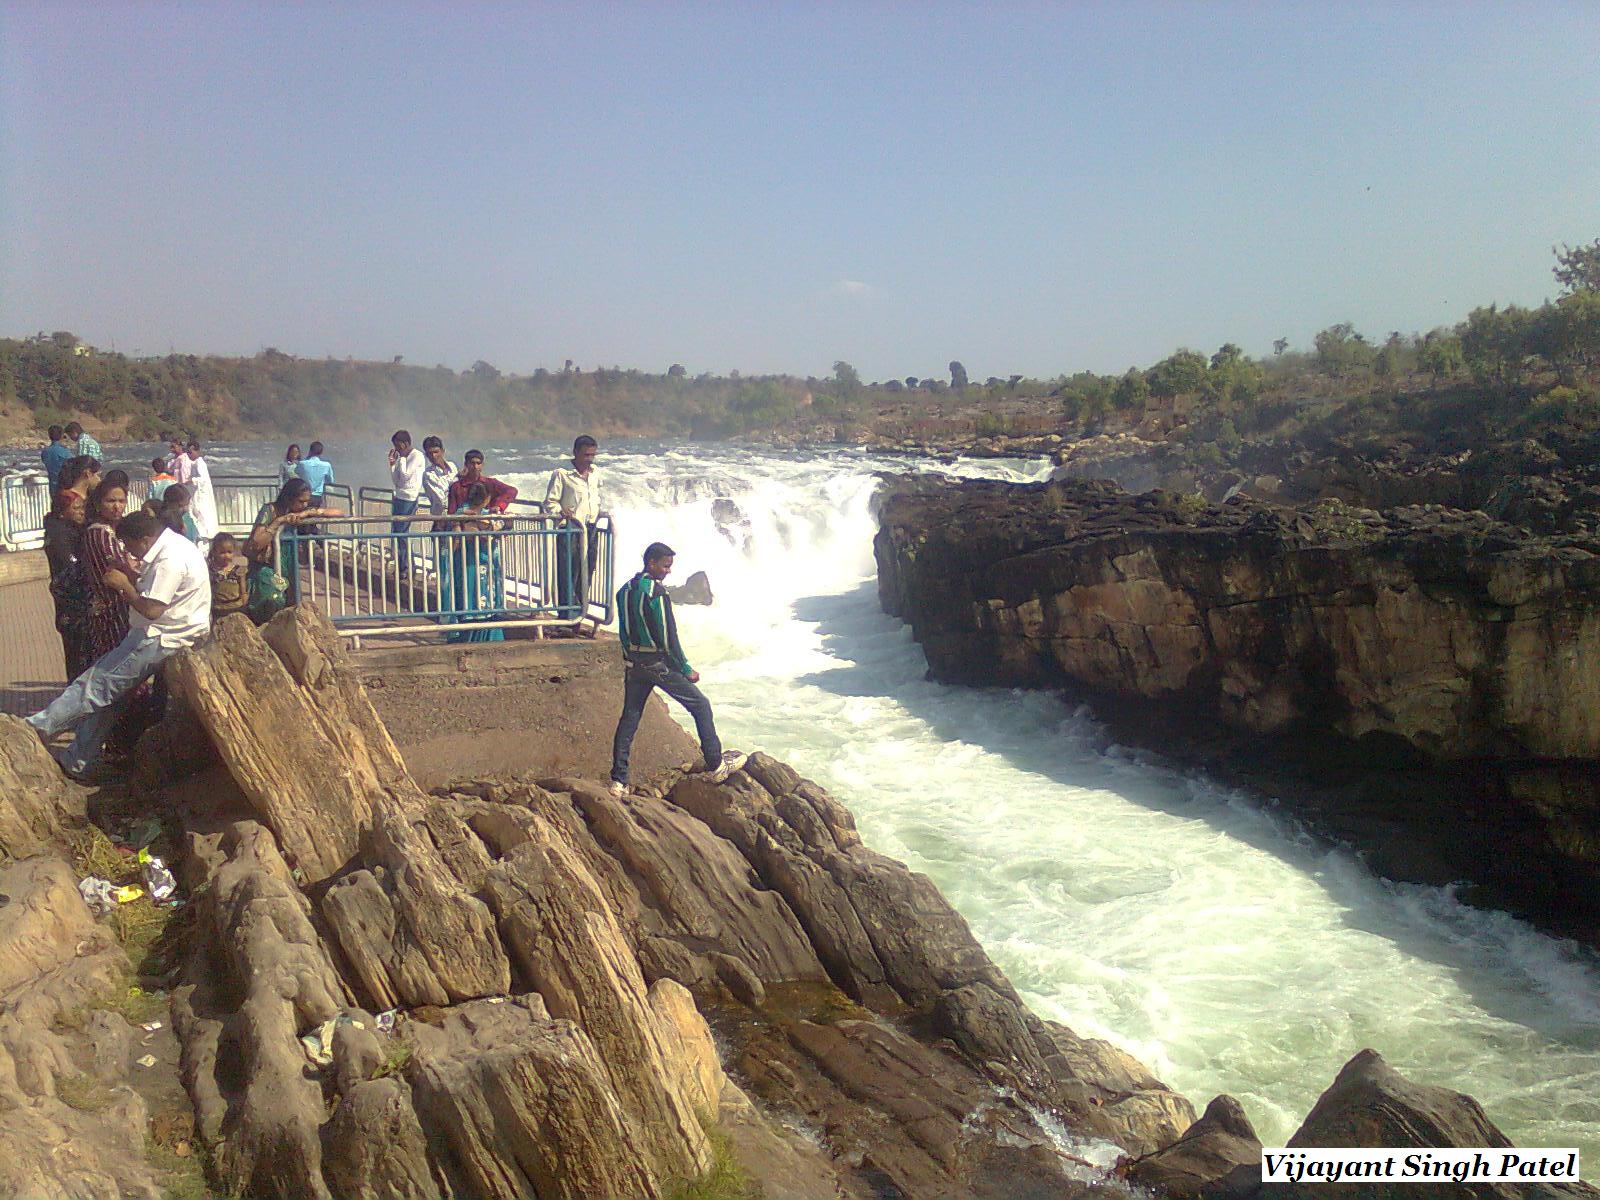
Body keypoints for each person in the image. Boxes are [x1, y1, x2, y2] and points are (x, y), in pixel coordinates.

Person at [26, 511, 211, 780]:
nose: (128, 550)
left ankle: (37, 728)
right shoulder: (175, 546)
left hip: (159, 637)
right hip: (165, 632)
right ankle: (78, 759)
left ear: (145, 539)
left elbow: (152, 608)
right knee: (111, 698)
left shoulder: (169, 560)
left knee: (94, 685)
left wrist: (124, 585)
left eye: (129, 544)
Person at [609, 542, 746, 798]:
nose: (669, 571)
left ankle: (618, 782)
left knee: (629, 719)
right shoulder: (656, 593)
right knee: (701, 705)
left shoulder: (624, 590)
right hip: (657, 664)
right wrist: (685, 668)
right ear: (651, 563)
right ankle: (717, 764)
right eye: (665, 565)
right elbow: (667, 636)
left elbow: (624, 630)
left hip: (634, 665)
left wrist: (628, 657)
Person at [245, 478, 335, 621]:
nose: (304, 504)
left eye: (307, 501)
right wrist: (279, 521)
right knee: (273, 599)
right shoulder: (270, 510)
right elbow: (257, 542)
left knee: (291, 601)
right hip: (267, 565)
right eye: (301, 501)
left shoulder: (301, 510)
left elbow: (338, 512)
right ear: (288, 498)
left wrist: (306, 514)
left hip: (288, 562)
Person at [543, 435, 603, 629]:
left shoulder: (595, 473)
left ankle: (579, 615)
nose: (589, 459)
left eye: (592, 454)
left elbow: (594, 497)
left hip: (590, 529)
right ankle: (566, 618)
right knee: (569, 573)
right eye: (586, 454)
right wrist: (560, 511)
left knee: (588, 571)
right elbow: (549, 502)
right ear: (575, 452)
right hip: (570, 529)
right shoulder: (562, 474)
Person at [442, 483, 506, 643]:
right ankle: (483, 639)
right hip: (481, 564)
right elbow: (502, 527)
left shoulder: (458, 515)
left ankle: (463, 635)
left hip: (463, 565)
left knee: (466, 599)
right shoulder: (487, 517)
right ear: (487, 498)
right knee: (482, 602)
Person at [42, 489, 91, 679]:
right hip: (71, 603)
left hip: (69, 602)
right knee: (77, 653)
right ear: (63, 511)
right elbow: (70, 565)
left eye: (83, 508)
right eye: (76, 508)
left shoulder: (65, 529)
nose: (81, 512)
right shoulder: (60, 535)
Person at [387, 430, 425, 564]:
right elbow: (397, 481)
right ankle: (402, 563)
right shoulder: (401, 459)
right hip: (399, 496)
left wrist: (402, 458)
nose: (396, 449)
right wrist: (392, 464)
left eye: (398, 446)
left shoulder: (416, 456)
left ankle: (407, 565)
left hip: (409, 499)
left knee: (402, 533)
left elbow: (406, 475)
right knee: (397, 532)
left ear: (405, 444)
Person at [446, 448, 518, 514]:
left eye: (478, 463)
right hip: (463, 524)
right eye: (472, 463)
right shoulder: (456, 487)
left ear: (482, 465)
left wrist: (498, 506)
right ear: (466, 464)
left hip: (485, 522)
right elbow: (451, 512)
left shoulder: (490, 483)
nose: (475, 466)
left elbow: (512, 491)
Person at [208, 533, 250, 622]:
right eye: (222, 552)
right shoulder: (211, 571)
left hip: (237, 609)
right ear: (215, 552)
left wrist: (244, 606)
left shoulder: (238, 569)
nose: (226, 555)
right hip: (218, 610)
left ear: (234, 552)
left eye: (229, 552)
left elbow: (243, 590)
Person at [184, 440, 218, 544]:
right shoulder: (194, 463)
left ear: (197, 451)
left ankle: (204, 539)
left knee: (203, 517)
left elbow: (203, 479)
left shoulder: (200, 463)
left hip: (201, 496)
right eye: (187, 452)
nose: (189, 454)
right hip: (196, 495)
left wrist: (192, 480)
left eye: (190, 452)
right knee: (197, 516)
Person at [420, 436, 456, 517]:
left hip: (455, 512)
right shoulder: (428, 475)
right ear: (426, 455)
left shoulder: (452, 466)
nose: (433, 456)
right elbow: (441, 500)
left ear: (442, 451)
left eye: (436, 452)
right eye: (430, 453)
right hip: (441, 515)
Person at [297, 441, 335, 508]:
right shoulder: (326, 465)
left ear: (310, 450)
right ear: (321, 452)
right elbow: (331, 481)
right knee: (315, 515)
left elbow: (297, 472)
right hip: (317, 496)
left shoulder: (302, 464)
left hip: (303, 495)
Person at [40, 425, 74, 492]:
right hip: (65, 486)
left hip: (52, 486)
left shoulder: (45, 452)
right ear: (61, 436)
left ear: (49, 436)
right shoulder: (65, 452)